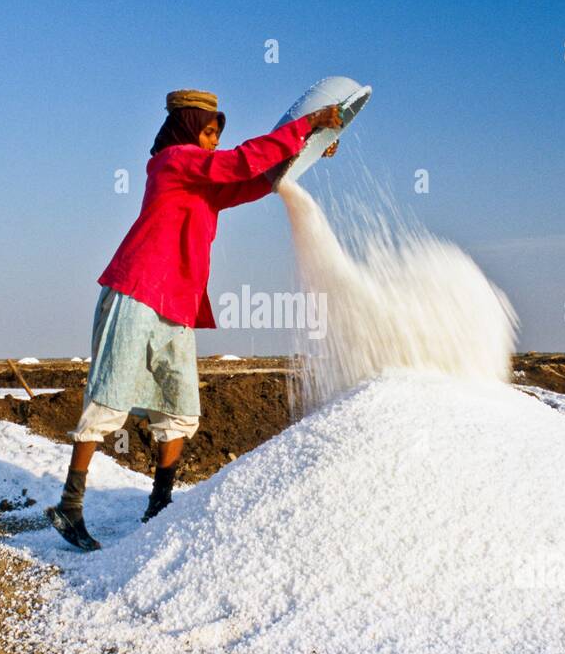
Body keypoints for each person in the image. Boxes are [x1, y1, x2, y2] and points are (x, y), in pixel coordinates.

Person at [47, 89, 343, 550]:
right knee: (109, 395)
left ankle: (159, 505)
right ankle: (70, 504)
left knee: (179, 406)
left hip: (177, 303)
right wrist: (303, 126)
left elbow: (252, 181)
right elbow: (239, 162)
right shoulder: (172, 162)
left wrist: (309, 151)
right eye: (207, 133)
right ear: (186, 128)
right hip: (137, 290)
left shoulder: (203, 181)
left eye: (215, 137)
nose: (211, 144)